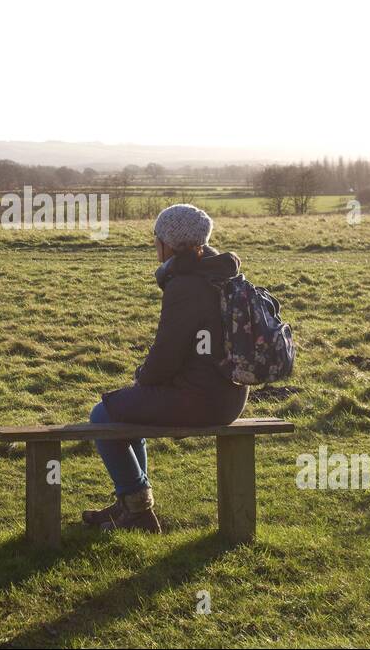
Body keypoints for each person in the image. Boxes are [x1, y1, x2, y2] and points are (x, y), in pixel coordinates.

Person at [83, 203, 248, 532]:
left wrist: (142, 378)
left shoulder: (186, 286)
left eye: (156, 238)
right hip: (228, 396)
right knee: (127, 410)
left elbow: (166, 355)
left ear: (170, 244)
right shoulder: (218, 275)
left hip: (200, 399)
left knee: (103, 414)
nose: (154, 245)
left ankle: (138, 512)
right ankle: (130, 505)